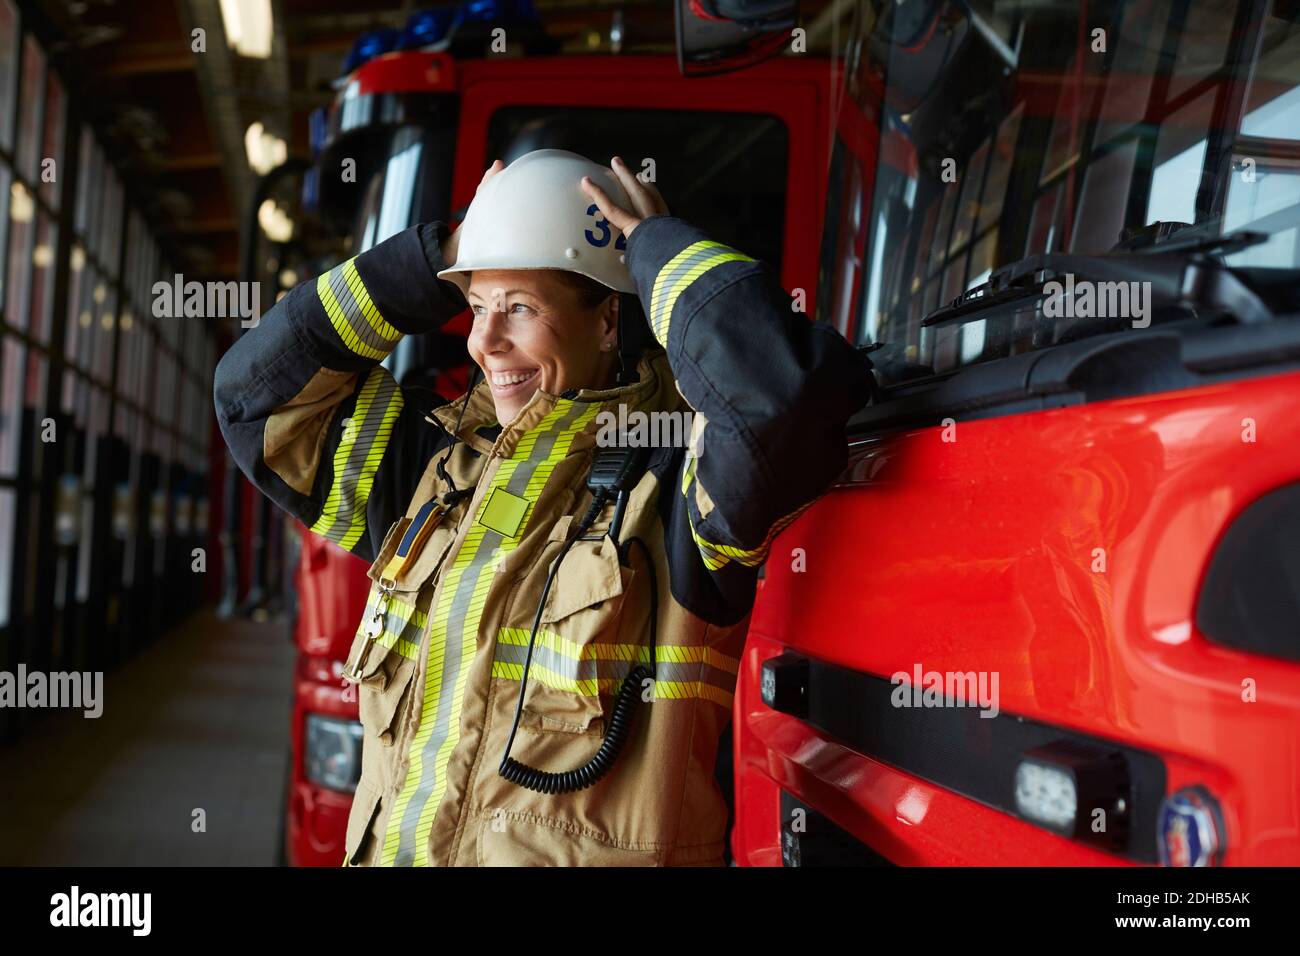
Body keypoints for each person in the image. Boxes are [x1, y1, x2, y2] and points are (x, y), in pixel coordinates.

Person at [214, 149, 874, 866]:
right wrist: (442, 254)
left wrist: (656, 251)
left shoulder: (677, 483)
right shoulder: (433, 474)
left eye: (520, 308)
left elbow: (781, 398)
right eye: (475, 307)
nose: (485, 342)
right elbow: (255, 400)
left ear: (608, 321)